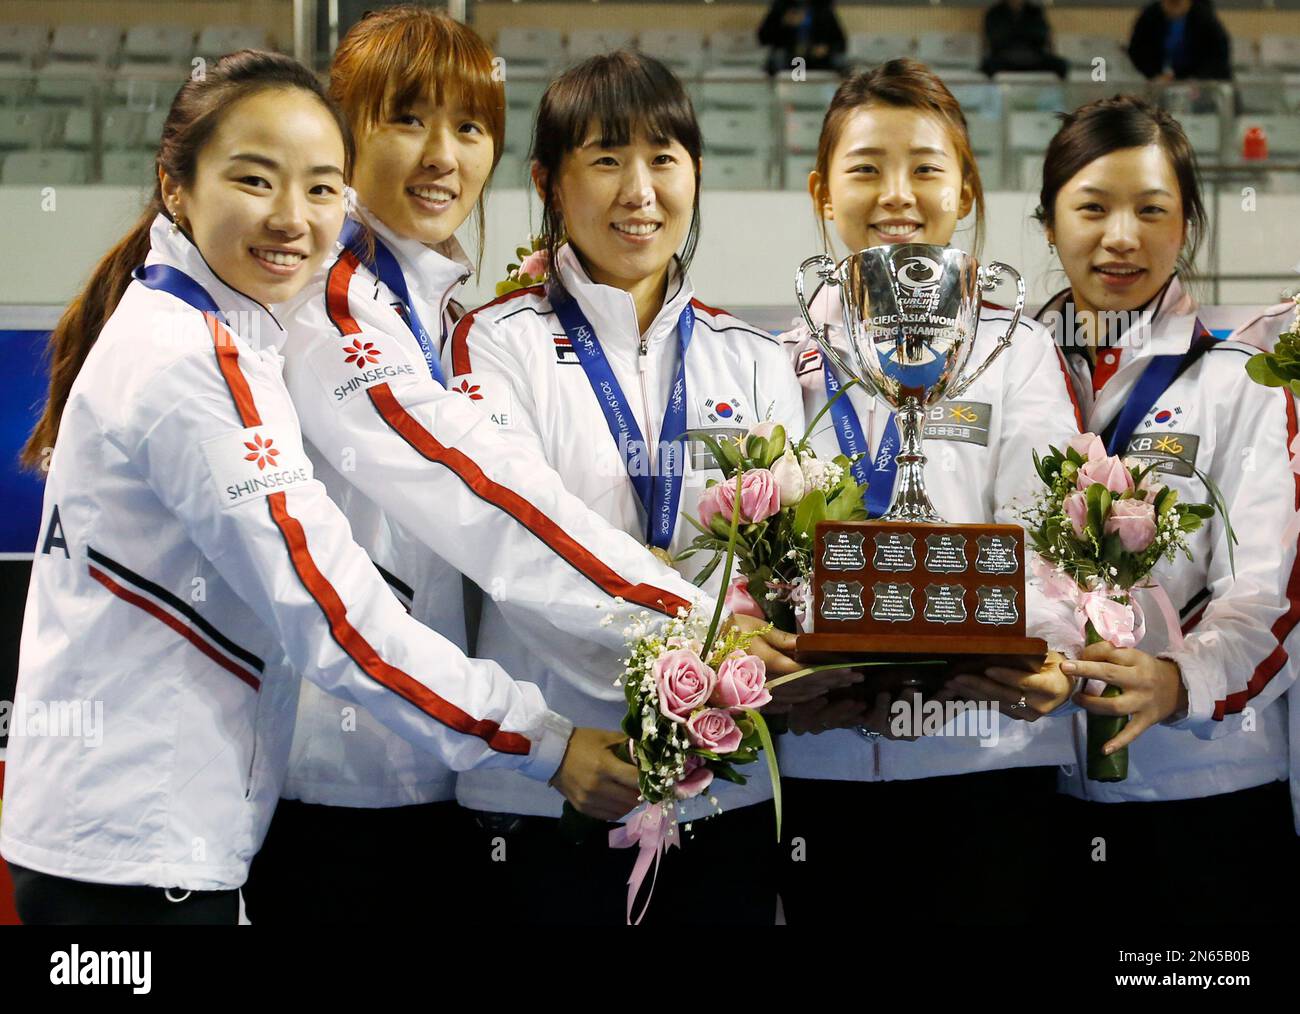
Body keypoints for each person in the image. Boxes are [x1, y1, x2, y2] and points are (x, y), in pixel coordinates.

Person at [0, 49, 673, 925]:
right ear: (176, 187)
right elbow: (337, 614)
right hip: (136, 849)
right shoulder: (201, 363)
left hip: (159, 835)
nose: (292, 218)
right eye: (254, 179)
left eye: (320, 189)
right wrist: (551, 736)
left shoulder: (226, 332)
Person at [241, 9, 793, 925]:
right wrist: (694, 636)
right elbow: (495, 512)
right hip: (351, 775)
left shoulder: (422, 300)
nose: (441, 155)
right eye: (407, 119)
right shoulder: (343, 308)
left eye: (468, 127)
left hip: (451, 763)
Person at [446, 50, 807, 925]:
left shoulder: (755, 358)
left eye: (664, 158)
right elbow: (519, 547)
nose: (639, 191)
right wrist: (690, 632)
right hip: (550, 785)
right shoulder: (495, 345)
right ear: (548, 182)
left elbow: (784, 564)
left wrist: (735, 664)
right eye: (606, 159)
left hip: (726, 791)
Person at [774, 58, 1084, 925]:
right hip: (823, 762)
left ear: (967, 189)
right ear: (822, 194)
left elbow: (1047, 535)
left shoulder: (1013, 351)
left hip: (986, 757)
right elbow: (761, 542)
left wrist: (980, 633)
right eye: (866, 168)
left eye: (926, 167)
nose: (897, 195)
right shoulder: (776, 361)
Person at [1025, 95, 1296, 924]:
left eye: (1152, 210)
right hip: (1039, 797)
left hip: (1207, 797)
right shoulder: (1012, 385)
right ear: (1048, 224)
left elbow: (1272, 593)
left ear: (1187, 227)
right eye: (1092, 207)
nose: (1121, 236)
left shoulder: (1240, 383)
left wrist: (1178, 682)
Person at [1128, 0, 1231, 82]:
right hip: (1169, 79)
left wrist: (1200, 78)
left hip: (1203, 82)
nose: (1174, 8)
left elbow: (1219, 54)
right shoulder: (1151, 14)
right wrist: (1154, 75)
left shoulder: (1204, 15)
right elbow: (1137, 51)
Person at [981, 0, 1069, 79]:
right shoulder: (994, 12)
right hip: (1004, 59)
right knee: (987, 66)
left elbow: (1042, 36)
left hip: (1034, 58)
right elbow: (995, 38)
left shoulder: (1035, 11)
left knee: (1061, 65)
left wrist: (1015, 34)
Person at [758, 0, 847, 75]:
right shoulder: (782, 6)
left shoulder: (823, 9)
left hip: (817, 58)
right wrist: (783, 22)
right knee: (776, 58)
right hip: (789, 55)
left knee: (840, 63)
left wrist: (826, 49)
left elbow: (840, 42)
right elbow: (763, 37)